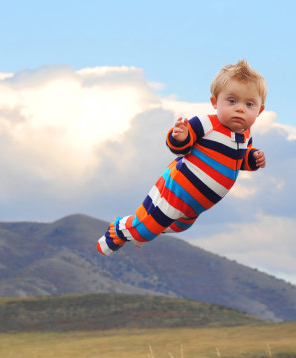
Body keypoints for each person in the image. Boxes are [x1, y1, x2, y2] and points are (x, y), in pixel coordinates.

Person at [96, 59, 267, 255]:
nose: (240, 108)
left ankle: (139, 229)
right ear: (215, 102)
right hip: (178, 189)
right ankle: (119, 229)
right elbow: (179, 148)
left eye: (249, 104)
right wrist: (181, 136)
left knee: (181, 226)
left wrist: (253, 159)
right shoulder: (206, 124)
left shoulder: (246, 136)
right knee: (148, 229)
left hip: (197, 205)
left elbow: (238, 161)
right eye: (232, 101)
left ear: (259, 110)